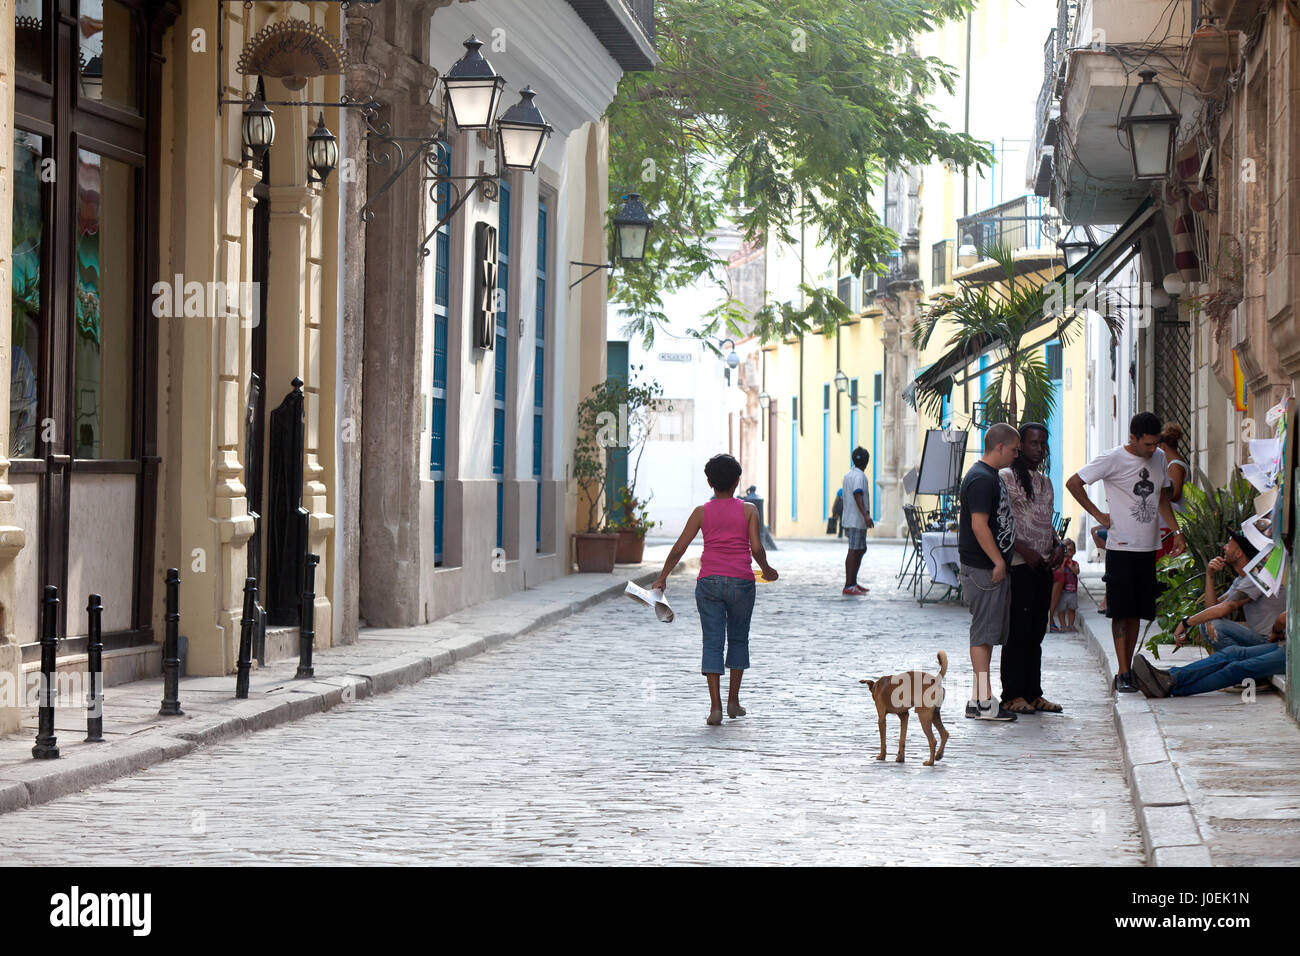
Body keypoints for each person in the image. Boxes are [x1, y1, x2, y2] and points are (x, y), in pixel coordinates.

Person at [652, 453, 778, 726]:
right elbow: (756, 548)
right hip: (742, 583)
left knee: (712, 641)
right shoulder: (749, 511)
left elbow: (679, 547)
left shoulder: (701, 512)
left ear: (710, 482)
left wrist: (663, 576)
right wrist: (767, 570)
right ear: (737, 482)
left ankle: (716, 707)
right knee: (739, 638)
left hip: (708, 583)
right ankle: (734, 701)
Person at [1067, 411, 1186, 692]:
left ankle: (1128, 667)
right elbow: (1074, 483)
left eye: (1156, 443)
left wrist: (1176, 531)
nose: (1153, 449)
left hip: (1148, 547)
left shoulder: (1158, 458)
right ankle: (1122, 673)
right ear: (1132, 438)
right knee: (1120, 611)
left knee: (1136, 612)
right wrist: (1099, 515)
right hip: (1121, 548)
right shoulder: (1112, 458)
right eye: (1147, 444)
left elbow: (1161, 498)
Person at [998, 421, 1065, 715]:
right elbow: (1001, 521)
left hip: (1043, 565)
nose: (1038, 449)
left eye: (1043, 444)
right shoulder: (1005, 477)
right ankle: (1012, 694)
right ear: (1020, 445)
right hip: (1019, 564)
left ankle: (1033, 692)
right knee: (1018, 631)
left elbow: (1043, 521)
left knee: (1037, 631)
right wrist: (1022, 549)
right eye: (1033, 443)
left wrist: (1059, 545)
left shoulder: (1045, 482)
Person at [957, 422, 1021, 721]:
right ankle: (984, 701)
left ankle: (977, 699)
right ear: (999, 447)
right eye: (1014, 449)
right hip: (984, 569)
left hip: (989, 568)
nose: (1016, 455)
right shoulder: (981, 479)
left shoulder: (988, 476)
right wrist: (998, 561)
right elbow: (979, 525)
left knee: (987, 633)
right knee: (982, 634)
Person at [1171, 529, 1287, 651]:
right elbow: (1212, 608)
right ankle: (1236, 661)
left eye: (1229, 544)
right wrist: (1209, 576)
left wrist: (1185, 622)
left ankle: (1237, 662)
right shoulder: (1241, 580)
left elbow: (1222, 610)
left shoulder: (1259, 576)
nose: (1224, 547)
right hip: (1261, 640)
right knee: (1207, 622)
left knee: (1214, 625)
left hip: (1273, 643)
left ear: (1238, 554)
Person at [1133, 613, 1286, 698]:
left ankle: (1172, 688)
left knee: (1238, 668)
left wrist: (1277, 631)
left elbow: (1283, 618)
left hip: (1292, 656)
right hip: (1289, 647)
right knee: (1232, 653)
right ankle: (1172, 678)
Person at [840, 447, 874, 596]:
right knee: (854, 551)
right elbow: (857, 494)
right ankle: (849, 584)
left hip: (851, 518)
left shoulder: (849, 474)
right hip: (857, 520)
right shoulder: (860, 477)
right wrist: (866, 515)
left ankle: (853, 582)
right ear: (867, 462)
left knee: (860, 549)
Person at [1156, 423, 1189, 560]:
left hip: (1177, 517)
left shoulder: (1175, 465)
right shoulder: (1173, 464)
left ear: (1162, 447)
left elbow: (1174, 495)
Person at [1050, 540, 1080, 632]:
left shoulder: (1075, 563)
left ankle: (1070, 625)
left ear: (1074, 551)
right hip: (1063, 590)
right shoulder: (1061, 562)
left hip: (1072, 591)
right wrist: (1064, 561)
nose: (1068, 553)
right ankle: (1063, 626)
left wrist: (1071, 567)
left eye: (1070, 550)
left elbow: (1077, 571)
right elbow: (1061, 571)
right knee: (1061, 610)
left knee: (1072, 609)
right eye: (1066, 550)